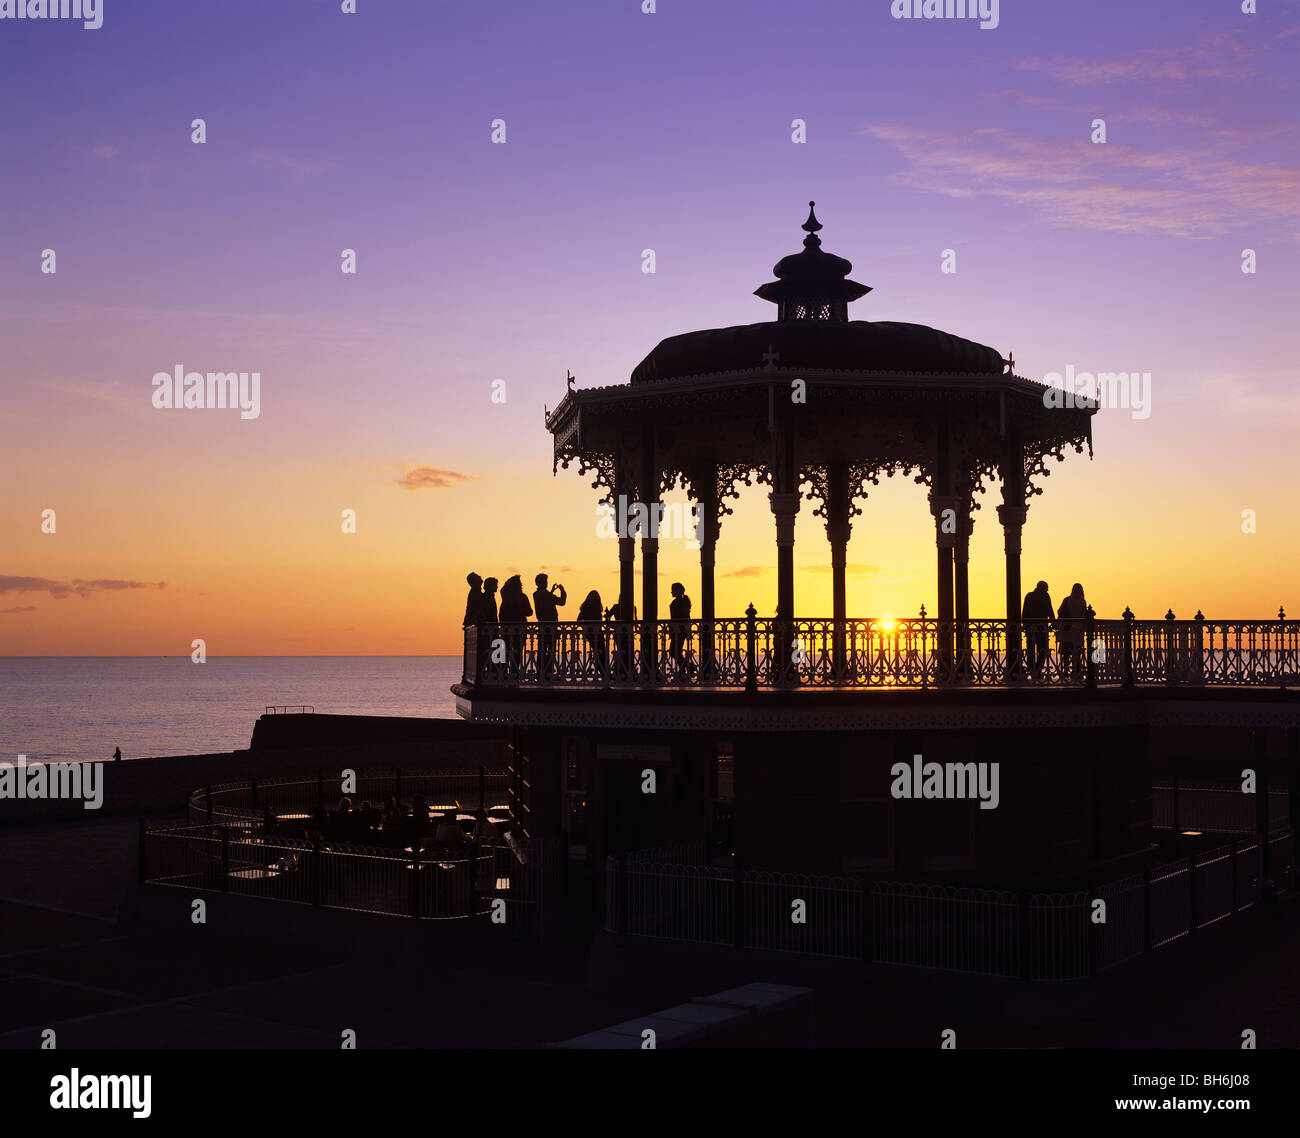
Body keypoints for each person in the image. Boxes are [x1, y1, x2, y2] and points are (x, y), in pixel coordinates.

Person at [533, 573, 567, 679]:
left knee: (541, 650)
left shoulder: (536, 594)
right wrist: (562, 590)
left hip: (542, 625)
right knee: (551, 650)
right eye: (546, 581)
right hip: (551, 626)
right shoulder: (547, 595)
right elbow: (562, 602)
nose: (547, 583)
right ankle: (549, 672)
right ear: (543, 583)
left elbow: (546, 600)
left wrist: (551, 591)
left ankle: (540, 672)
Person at [498, 575, 533, 677]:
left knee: (505, 650)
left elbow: (502, 614)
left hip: (506, 629)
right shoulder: (522, 597)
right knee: (517, 651)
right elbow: (529, 612)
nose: (522, 585)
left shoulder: (505, 598)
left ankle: (503, 671)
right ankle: (514, 672)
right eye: (520, 583)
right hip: (519, 629)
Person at [1021, 580, 1055, 679]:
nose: (1048, 589)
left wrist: (1025, 625)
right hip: (1041, 628)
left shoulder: (1029, 596)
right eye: (1047, 587)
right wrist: (1053, 623)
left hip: (1031, 628)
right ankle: (1037, 669)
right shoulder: (1045, 596)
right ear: (1043, 588)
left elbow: (1024, 611)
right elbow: (1050, 610)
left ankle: (1033, 670)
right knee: (1042, 650)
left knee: (1030, 650)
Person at [1057, 583, 1088, 680]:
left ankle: (1065, 671)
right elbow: (1084, 614)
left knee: (1066, 653)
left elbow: (1059, 611)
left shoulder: (1067, 600)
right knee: (1077, 652)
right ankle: (1077, 671)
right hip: (1078, 630)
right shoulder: (1083, 601)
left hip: (1067, 629)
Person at [577, 590, 608, 679]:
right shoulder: (596, 608)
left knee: (598, 652)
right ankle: (603, 671)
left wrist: (585, 628)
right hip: (597, 633)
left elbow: (578, 621)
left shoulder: (585, 608)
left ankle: (602, 670)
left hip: (591, 634)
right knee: (601, 652)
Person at [668, 582, 693, 678]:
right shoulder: (681, 602)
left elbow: (685, 617)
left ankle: (686, 668)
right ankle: (686, 668)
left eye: (672, 589)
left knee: (674, 652)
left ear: (677, 591)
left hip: (679, 631)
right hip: (678, 631)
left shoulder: (679, 602)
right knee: (675, 652)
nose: (671, 592)